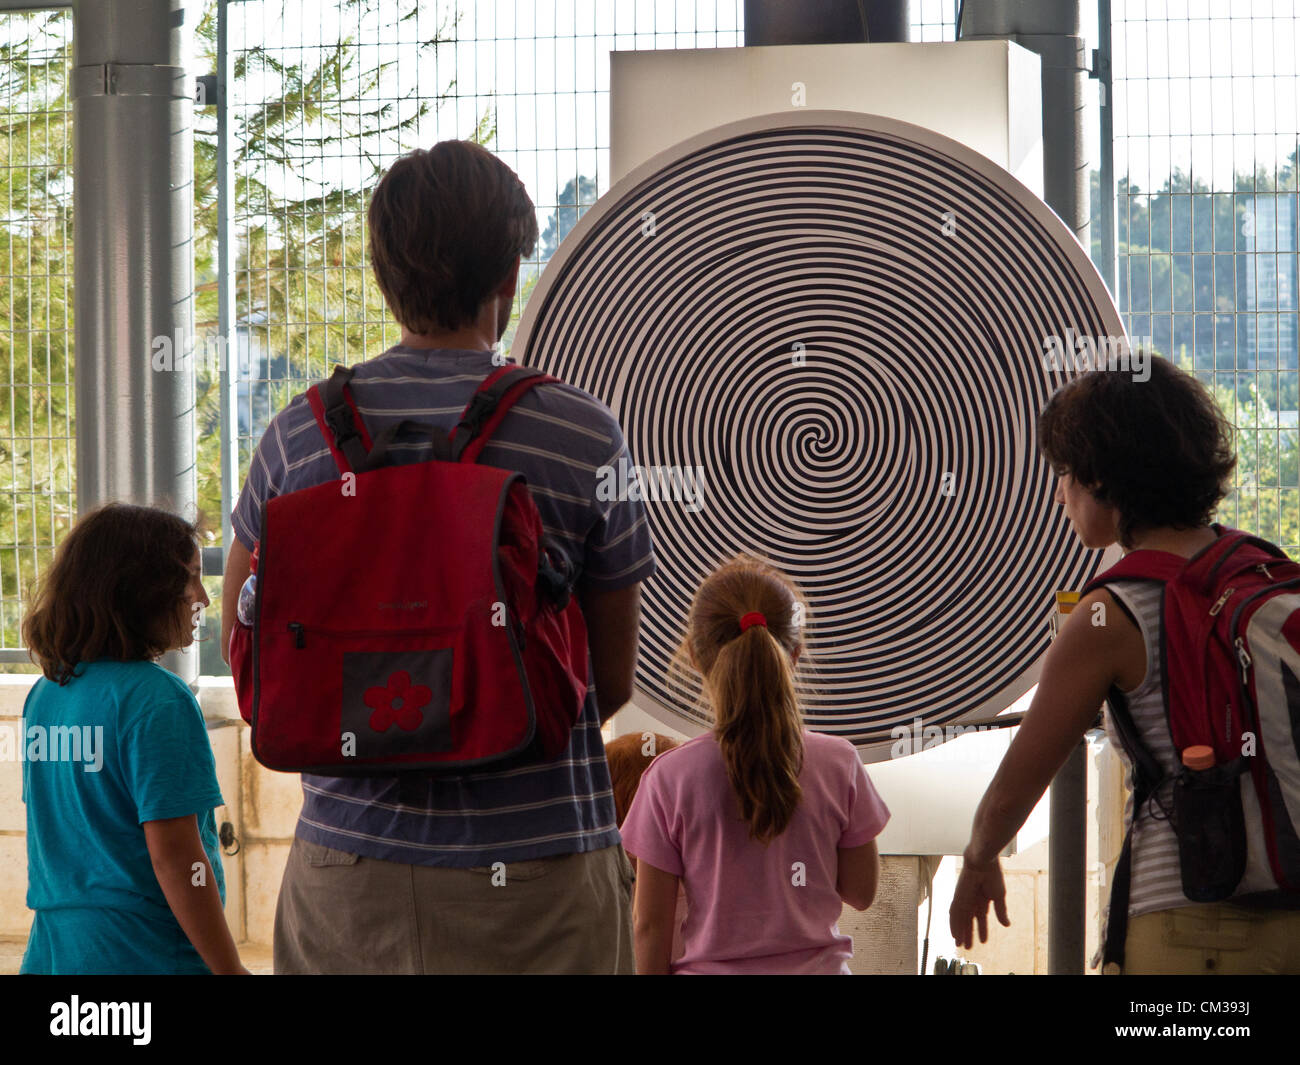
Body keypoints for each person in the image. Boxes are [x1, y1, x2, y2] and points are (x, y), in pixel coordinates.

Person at [221, 139, 655, 974]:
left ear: (384, 276)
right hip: (535, 880)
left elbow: (256, 661)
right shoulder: (582, 433)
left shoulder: (296, 439)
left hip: (346, 876)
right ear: (508, 275)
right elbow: (610, 678)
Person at [950, 356, 1300, 974]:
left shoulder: (1111, 612)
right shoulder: (1264, 575)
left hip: (1191, 926)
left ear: (1105, 481)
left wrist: (979, 856)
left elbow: (1021, 778)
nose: (1061, 492)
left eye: (1066, 473)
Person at [620, 556, 888, 974]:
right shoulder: (840, 762)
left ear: (693, 656)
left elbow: (650, 927)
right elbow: (861, 891)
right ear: (794, 654)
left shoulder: (669, 779)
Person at [21, 503, 246, 975]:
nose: (202, 597)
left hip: (57, 955)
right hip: (147, 954)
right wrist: (230, 970)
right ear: (141, 589)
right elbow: (177, 857)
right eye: (189, 578)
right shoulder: (157, 699)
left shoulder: (47, 693)